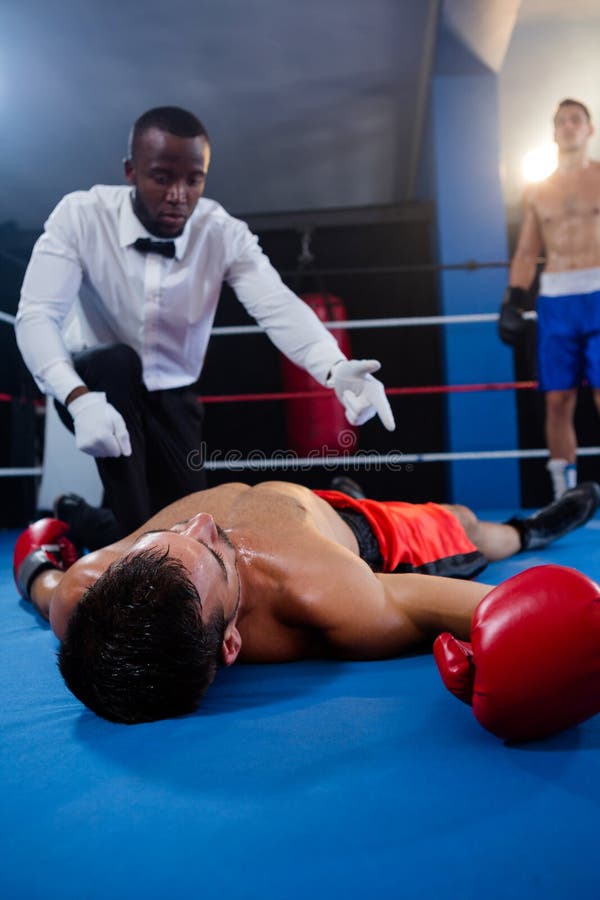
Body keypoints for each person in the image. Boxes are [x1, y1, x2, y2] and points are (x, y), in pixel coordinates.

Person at [15, 106, 394, 539]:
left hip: (174, 394)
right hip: (96, 383)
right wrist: (77, 398)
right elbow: (36, 316)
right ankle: (137, 555)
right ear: (130, 171)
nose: (179, 194)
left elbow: (277, 304)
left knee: (188, 522)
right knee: (118, 369)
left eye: (193, 180)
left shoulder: (222, 232)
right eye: (161, 177)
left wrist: (334, 366)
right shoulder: (81, 215)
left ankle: (79, 515)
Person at [13, 478, 600, 725]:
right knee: (463, 524)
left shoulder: (83, 592)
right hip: (361, 533)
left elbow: (41, 584)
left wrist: (37, 564)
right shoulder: (322, 594)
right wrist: (532, 644)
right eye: (211, 552)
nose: (202, 521)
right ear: (231, 641)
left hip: (290, 492)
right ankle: (531, 528)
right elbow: (463, 603)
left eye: (156, 540)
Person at [500, 98, 600, 499]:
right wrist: (513, 299)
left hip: (598, 291)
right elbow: (527, 251)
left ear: (589, 129)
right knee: (557, 398)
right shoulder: (538, 191)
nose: (568, 126)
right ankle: (564, 495)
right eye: (561, 121)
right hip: (557, 297)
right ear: (554, 132)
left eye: (576, 119)